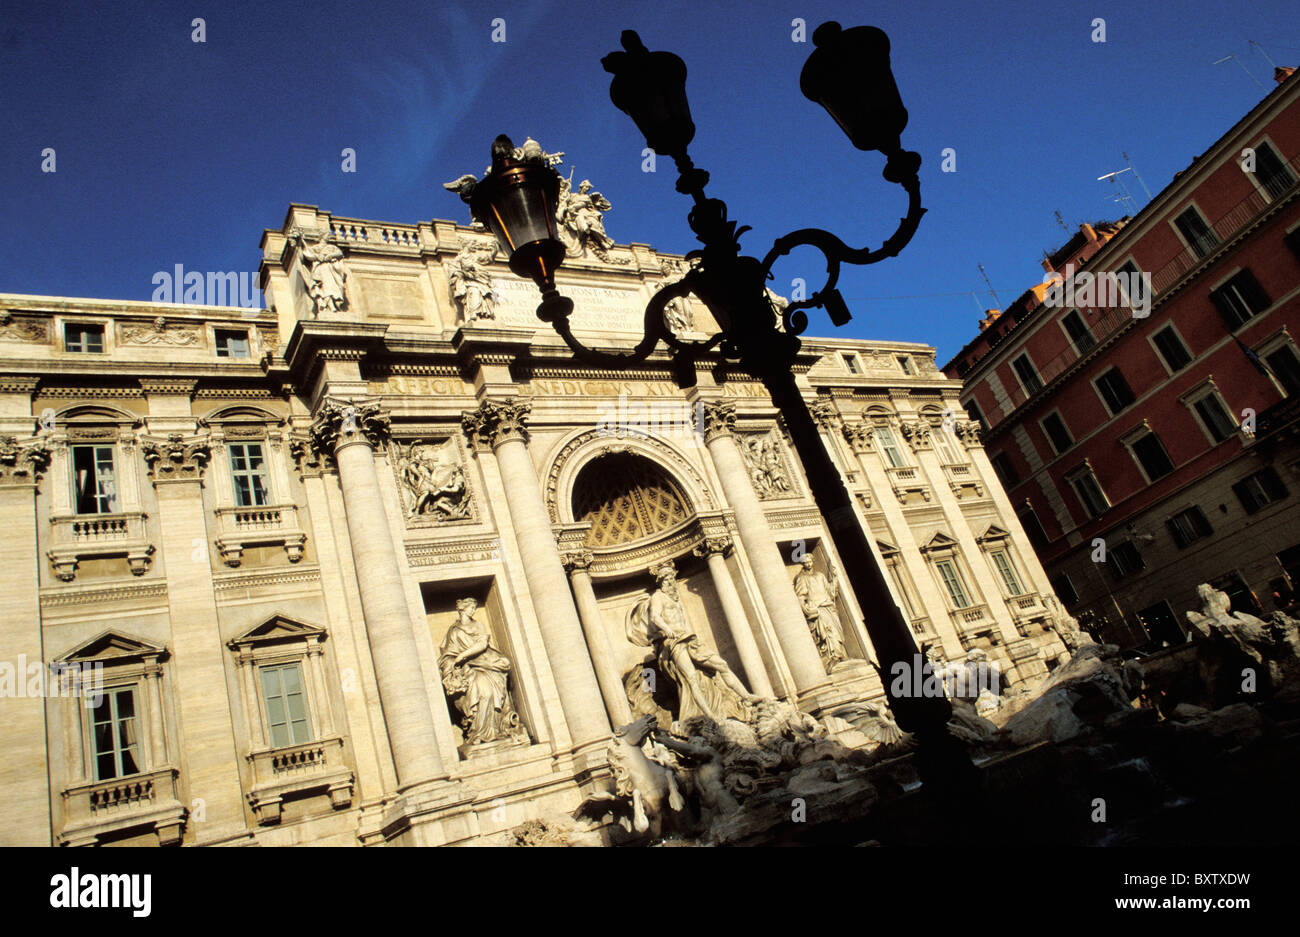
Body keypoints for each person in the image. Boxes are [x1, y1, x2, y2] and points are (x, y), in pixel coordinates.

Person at [438, 598, 522, 745]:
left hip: (484, 662)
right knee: (480, 689)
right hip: (467, 669)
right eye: (471, 608)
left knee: (490, 690)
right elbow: (447, 651)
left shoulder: (478, 625)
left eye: (474, 608)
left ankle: (494, 731)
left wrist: (463, 655)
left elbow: (483, 644)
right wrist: (454, 663)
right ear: (462, 609)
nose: (473, 611)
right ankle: (477, 732)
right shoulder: (454, 630)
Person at [792, 555, 848, 666]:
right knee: (828, 632)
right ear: (803, 564)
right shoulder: (801, 578)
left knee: (837, 631)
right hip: (818, 608)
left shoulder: (820, 575)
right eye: (806, 563)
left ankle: (839, 654)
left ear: (813, 562)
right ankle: (834, 656)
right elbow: (800, 596)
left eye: (810, 562)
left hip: (829, 606)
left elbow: (830, 591)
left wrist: (835, 578)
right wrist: (807, 609)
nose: (808, 564)